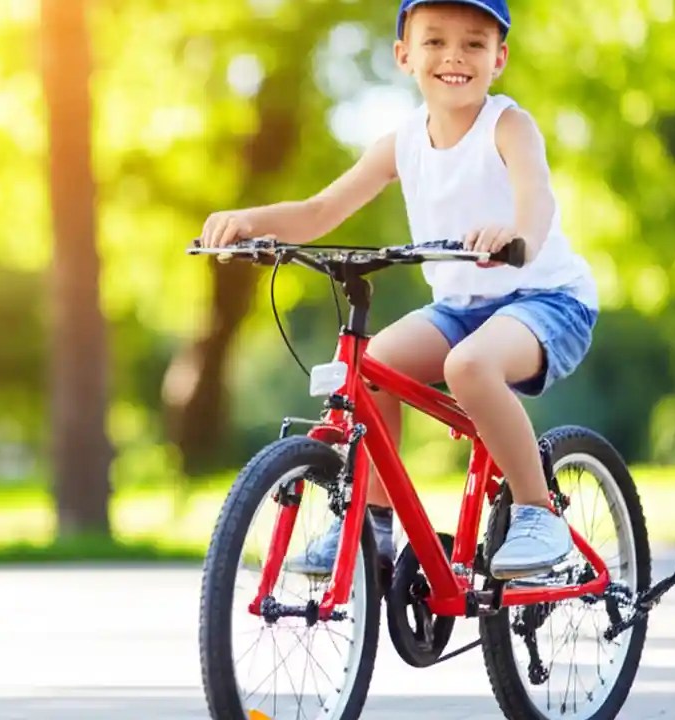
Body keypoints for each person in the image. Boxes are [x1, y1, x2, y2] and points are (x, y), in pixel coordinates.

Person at [196, 0, 598, 581]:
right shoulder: (402, 141)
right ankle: (376, 526)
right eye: (434, 42)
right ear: (404, 56)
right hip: (461, 307)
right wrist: (250, 221)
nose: (453, 57)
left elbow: (535, 199)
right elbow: (319, 211)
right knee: (371, 366)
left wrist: (515, 235)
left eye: (473, 44)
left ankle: (538, 512)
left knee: (469, 367)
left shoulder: (508, 125)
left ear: (499, 59)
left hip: (546, 299)